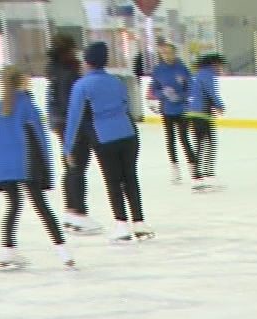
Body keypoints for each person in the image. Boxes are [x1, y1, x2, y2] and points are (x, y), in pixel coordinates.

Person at [0, 66, 73, 272]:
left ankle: (7, 251)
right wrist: (46, 171)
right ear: (22, 81)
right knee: (42, 208)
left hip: (5, 167)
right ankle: (64, 253)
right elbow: (40, 140)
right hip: (27, 165)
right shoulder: (28, 106)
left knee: (13, 206)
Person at [65, 41, 151, 244]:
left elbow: (74, 117)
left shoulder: (82, 85)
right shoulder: (116, 81)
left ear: (87, 62)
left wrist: (68, 146)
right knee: (130, 177)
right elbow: (126, 104)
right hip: (129, 133)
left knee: (113, 181)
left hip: (105, 136)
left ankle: (121, 224)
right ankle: (138, 222)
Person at [45, 35, 97, 234]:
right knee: (76, 167)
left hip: (60, 124)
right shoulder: (69, 75)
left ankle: (70, 211)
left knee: (71, 167)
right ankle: (79, 213)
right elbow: (72, 105)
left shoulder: (56, 71)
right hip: (72, 125)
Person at [148, 42, 194, 185]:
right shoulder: (158, 70)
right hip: (167, 110)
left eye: (169, 52)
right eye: (164, 53)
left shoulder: (182, 69)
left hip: (182, 109)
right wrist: (163, 93)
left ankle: (193, 165)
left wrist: (181, 97)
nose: (167, 55)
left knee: (184, 137)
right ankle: (174, 167)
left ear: (175, 53)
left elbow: (191, 88)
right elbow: (153, 90)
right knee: (170, 139)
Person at [185, 53, 224, 191]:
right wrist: (220, 105)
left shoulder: (197, 75)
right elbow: (210, 92)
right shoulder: (208, 75)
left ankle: (201, 175)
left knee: (203, 144)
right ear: (214, 64)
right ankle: (204, 175)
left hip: (194, 112)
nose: (221, 68)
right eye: (219, 65)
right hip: (202, 112)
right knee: (207, 144)